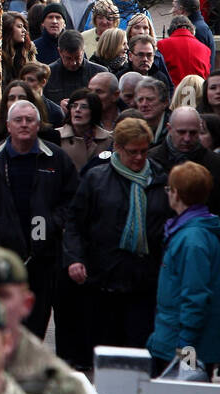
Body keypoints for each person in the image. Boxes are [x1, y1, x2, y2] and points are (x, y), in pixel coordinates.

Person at [0, 100, 78, 340]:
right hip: (1, 257)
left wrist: (53, 223)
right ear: (8, 126)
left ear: (38, 125)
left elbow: (72, 200)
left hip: (43, 257)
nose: (24, 124)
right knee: (1, 326)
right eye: (18, 120)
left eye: (29, 120)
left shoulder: (56, 158)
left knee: (35, 327)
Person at [64, 118, 168, 364]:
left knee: (139, 355)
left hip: (145, 281)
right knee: (108, 354)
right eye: (132, 152)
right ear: (118, 148)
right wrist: (75, 259)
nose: (139, 158)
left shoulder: (160, 180)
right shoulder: (96, 179)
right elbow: (75, 223)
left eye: (144, 151)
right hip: (104, 280)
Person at [149, 161, 220, 394]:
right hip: (187, 335)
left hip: (190, 340)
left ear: (177, 194)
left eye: (170, 188)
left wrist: (186, 345)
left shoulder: (192, 238)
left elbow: (195, 295)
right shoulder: (191, 230)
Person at [149, 106, 220, 218]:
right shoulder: (152, 160)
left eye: (193, 133)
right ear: (169, 129)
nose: (187, 138)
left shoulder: (215, 162)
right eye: (181, 132)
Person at [56, 87, 112, 172]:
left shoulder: (108, 140)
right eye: (74, 106)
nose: (77, 110)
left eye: (84, 107)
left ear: (94, 111)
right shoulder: (56, 136)